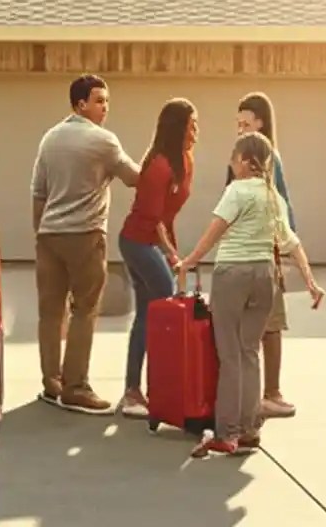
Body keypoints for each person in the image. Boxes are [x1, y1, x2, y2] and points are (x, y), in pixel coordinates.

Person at [177, 132, 324, 454]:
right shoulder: (273, 196)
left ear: (243, 160)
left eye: (233, 159)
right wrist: (311, 281)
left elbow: (214, 232)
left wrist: (188, 262)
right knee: (249, 353)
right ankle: (250, 430)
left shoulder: (237, 190)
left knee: (229, 356)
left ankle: (226, 433)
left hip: (233, 274)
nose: (232, 165)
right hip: (264, 277)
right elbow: (290, 242)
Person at [31, 74, 141, 414]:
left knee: (50, 311)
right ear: (80, 104)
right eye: (98, 100)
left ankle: (52, 382)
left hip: (49, 237)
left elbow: (38, 192)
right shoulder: (103, 141)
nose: (105, 107)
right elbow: (135, 177)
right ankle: (76, 387)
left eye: (106, 100)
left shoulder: (50, 138)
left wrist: (41, 233)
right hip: (85, 236)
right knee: (84, 310)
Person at [115, 98, 198, 418]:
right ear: (177, 128)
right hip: (138, 242)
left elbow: (169, 216)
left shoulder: (184, 160)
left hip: (153, 240)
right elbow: (153, 220)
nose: (196, 133)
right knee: (167, 309)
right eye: (191, 126)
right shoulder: (160, 165)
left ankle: (134, 391)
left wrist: (172, 252)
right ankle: (156, 389)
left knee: (148, 315)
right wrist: (172, 255)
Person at [225, 91, 297, 419]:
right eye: (237, 122)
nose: (240, 128)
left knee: (271, 323)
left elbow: (281, 204)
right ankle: (263, 393)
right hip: (245, 255)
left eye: (246, 122)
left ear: (261, 123)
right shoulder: (240, 156)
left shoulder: (270, 159)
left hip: (266, 253)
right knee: (259, 324)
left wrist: (286, 248)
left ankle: (271, 391)